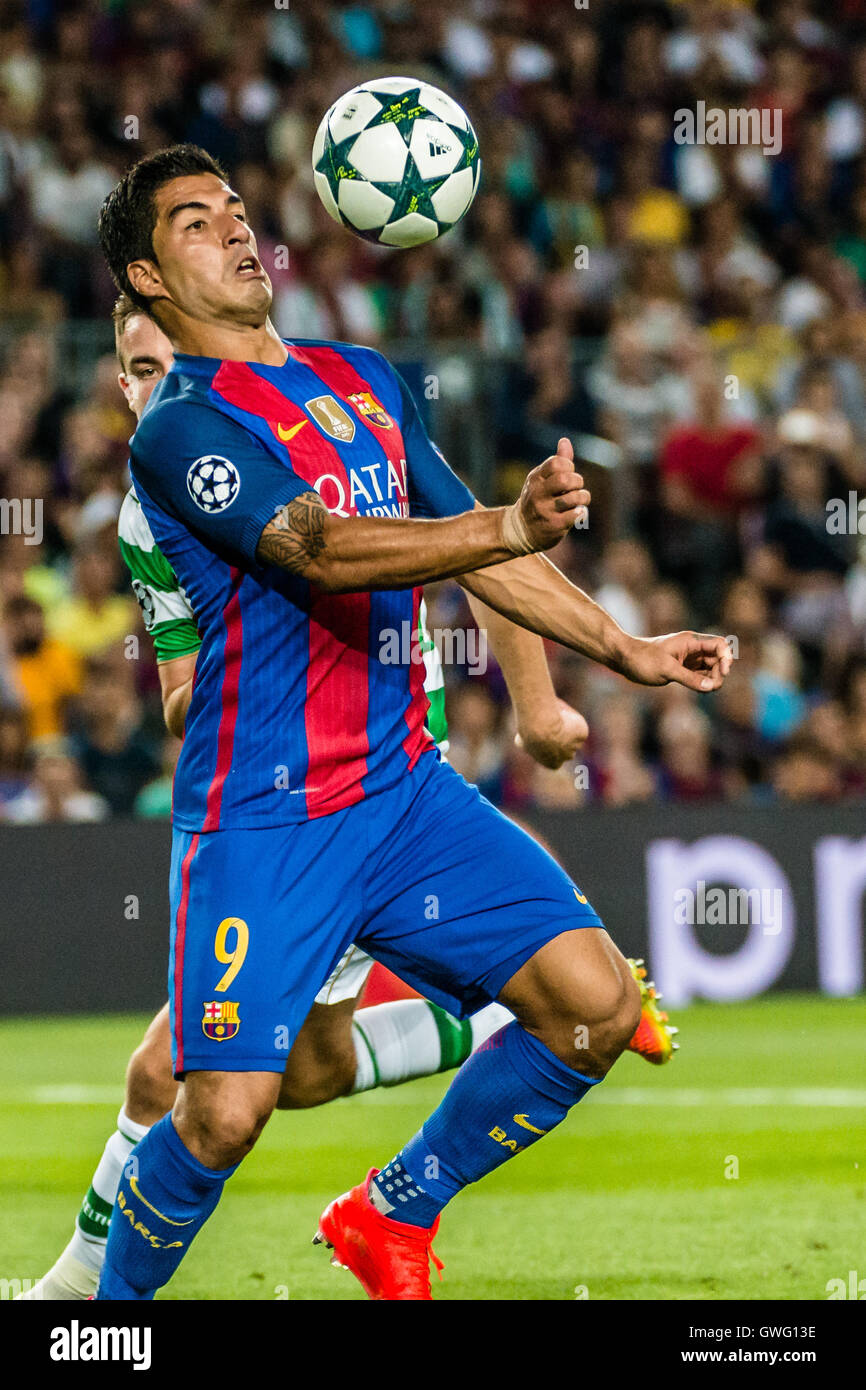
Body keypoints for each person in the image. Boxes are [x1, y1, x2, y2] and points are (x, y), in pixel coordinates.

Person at [92, 144, 729, 1301]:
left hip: (404, 793)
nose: (236, 229)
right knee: (224, 1114)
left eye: (237, 208)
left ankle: (392, 1210)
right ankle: (101, 1322)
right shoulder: (178, 427)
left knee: (595, 1008)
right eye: (196, 222)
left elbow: (484, 551)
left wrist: (623, 651)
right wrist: (503, 529)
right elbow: (317, 548)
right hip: (264, 820)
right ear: (144, 277)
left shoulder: (365, 379)